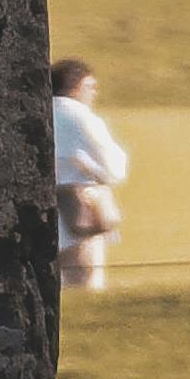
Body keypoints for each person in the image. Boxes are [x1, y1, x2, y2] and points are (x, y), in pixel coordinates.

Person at [50, 54, 129, 296]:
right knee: (83, 284)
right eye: (91, 87)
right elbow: (114, 168)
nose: (94, 93)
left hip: (37, 212)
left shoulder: (33, 113)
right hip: (79, 213)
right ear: (77, 86)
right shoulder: (80, 117)